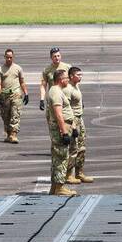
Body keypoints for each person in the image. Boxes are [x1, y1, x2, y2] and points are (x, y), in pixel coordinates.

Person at [45, 65, 79, 196]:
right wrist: (64, 132)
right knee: (62, 157)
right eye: (66, 78)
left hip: (65, 127)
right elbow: (59, 114)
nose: (67, 80)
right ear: (60, 79)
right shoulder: (56, 92)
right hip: (61, 129)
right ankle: (60, 187)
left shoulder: (56, 90)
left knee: (57, 158)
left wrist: (73, 127)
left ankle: (54, 187)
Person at [64, 64, 93, 184]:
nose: (80, 77)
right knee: (73, 148)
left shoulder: (76, 86)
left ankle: (79, 172)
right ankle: (68, 175)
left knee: (82, 147)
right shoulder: (68, 89)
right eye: (78, 75)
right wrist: (73, 125)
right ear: (71, 76)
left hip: (80, 118)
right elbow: (67, 108)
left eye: (81, 75)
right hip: (73, 120)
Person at [0, 48, 28, 144]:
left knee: (15, 114)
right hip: (4, 95)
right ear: (4, 57)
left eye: (10, 57)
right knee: (5, 115)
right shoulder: (0, 70)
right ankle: (9, 134)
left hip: (16, 94)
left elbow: (22, 82)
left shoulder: (18, 68)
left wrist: (26, 93)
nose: (9, 59)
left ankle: (13, 134)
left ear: (13, 57)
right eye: (7, 57)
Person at [39, 47, 64, 111]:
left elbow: (73, 84)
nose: (57, 58)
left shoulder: (67, 67)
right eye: (55, 56)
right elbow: (43, 86)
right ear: (51, 57)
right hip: (52, 99)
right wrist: (42, 100)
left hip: (65, 98)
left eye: (58, 56)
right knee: (51, 120)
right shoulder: (47, 70)